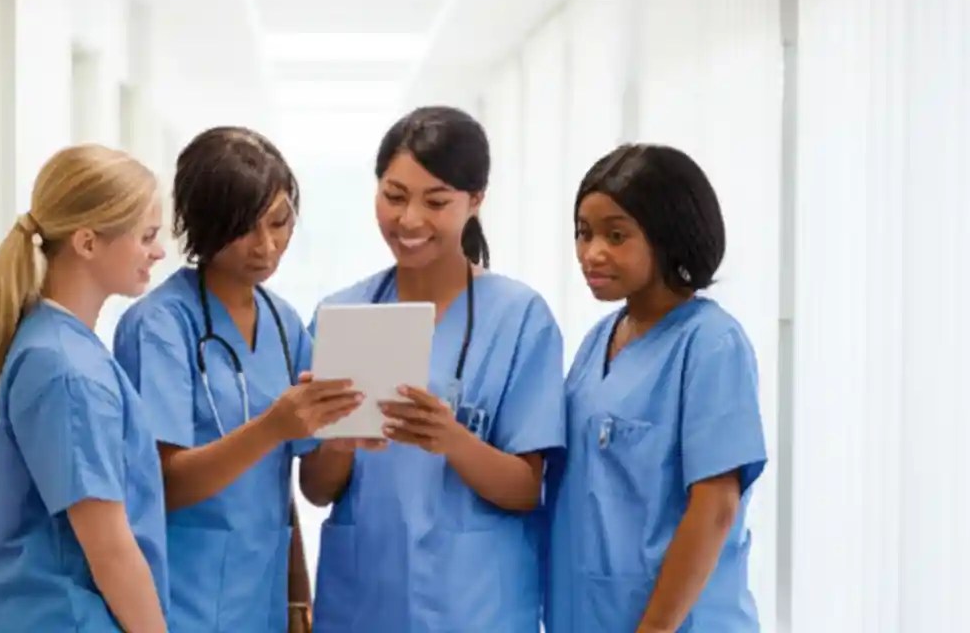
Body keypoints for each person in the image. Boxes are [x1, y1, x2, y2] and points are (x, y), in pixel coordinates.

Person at [299, 106, 567, 632]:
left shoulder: (519, 318)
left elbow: (526, 488)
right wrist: (338, 443)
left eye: (436, 201)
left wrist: (452, 440)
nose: (409, 220)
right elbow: (315, 489)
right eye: (394, 196)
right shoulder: (342, 314)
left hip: (476, 607)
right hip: (364, 602)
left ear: (476, 200)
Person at [112, 126, 365, 633]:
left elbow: (302, 489)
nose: (267, 246)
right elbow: (161, 483)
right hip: (179, 602)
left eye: (280, 222)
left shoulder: (284, 324)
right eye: (245, 228)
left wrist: (343, 440)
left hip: (261, 606)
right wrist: (272, 427)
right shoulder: (160, 326)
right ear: (204, 226)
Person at [545, 144, 767, 633]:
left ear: (667, 236)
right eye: (583, 233)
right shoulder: (598, 341)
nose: (591, 253)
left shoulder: (711, 344)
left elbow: (715, 507)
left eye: (616, 235)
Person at [0, 145, 170, 633]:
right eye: (146, 236)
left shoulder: (59, 346)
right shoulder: (66, 369)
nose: (159, 252)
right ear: (87, 243)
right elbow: (110, 550)